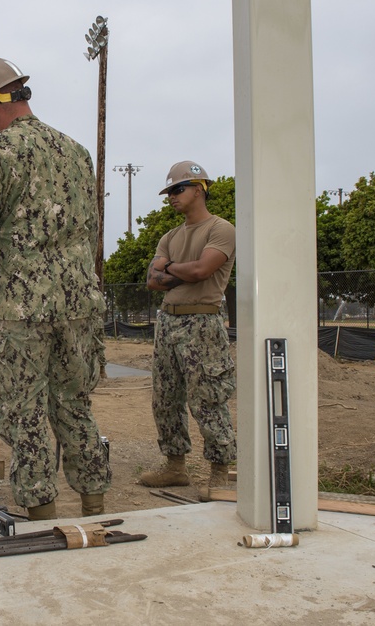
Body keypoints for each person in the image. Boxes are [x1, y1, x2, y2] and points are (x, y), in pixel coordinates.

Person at [0, 56, 111, 520]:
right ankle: (94, 506)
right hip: (80, 306)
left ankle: (43, 516)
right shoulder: (76, 152)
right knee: (74, 405)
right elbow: (89, 231)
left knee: (25, 415)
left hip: (21, 312)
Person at [141, 161, 237, 501]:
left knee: (208, 399)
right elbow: (153, 281)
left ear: (200, 188)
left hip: (203, 324)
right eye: (169, 192)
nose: (172, 197)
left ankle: (220, 473)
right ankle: (175, 467)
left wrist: (172, 268)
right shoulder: (170, 236)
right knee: (165, 399)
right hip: (168, 322)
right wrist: (181, 271)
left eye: (178, 189)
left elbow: (203, 270)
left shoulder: (220, 229)